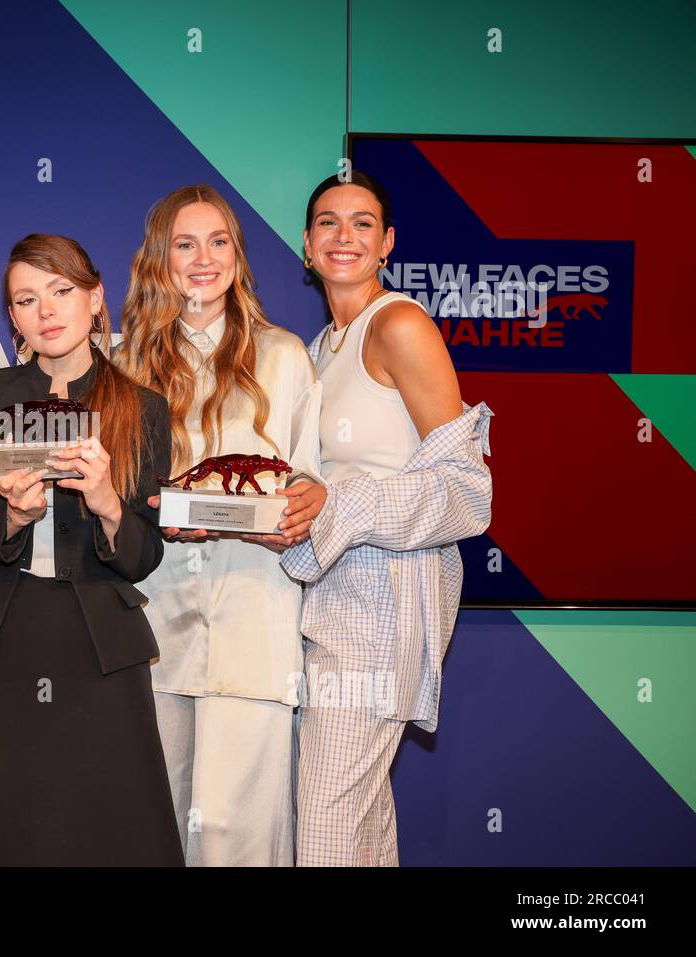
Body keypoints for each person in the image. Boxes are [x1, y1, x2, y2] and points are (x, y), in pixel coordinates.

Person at [0, 233, 183, 866]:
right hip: (5, 635)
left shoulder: (140, 407)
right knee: (14, 831)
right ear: (14, 317)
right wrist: (13, 518)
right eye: (26, 299)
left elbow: (143, 555)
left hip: (100, 639)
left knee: (114, 831)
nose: (46, 311)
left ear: (96, 299)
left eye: (61, 291)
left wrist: (107, 505)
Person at [278, 171, 493, 866]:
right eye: (329, 223)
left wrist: (341, 503)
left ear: (387, 242)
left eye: (363, 223)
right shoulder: (314, 352)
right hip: (329, 600)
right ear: (306, 245)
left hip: (388, 597)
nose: (345, 236)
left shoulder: (399, 324)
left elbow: (468, 489)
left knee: (326, 827)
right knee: (356, 828)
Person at [116, 184, 324, 866]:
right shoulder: (127, 365)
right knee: (159, 833)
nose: (202, 258)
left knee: (240, 842)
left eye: (218, 241)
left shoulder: (285, 356)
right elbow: (115, 503)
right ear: (160, 259)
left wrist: (298, 508)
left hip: (253, 626)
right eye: (184, 243)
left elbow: (309, 482)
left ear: (237, 253)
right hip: (155, 631)